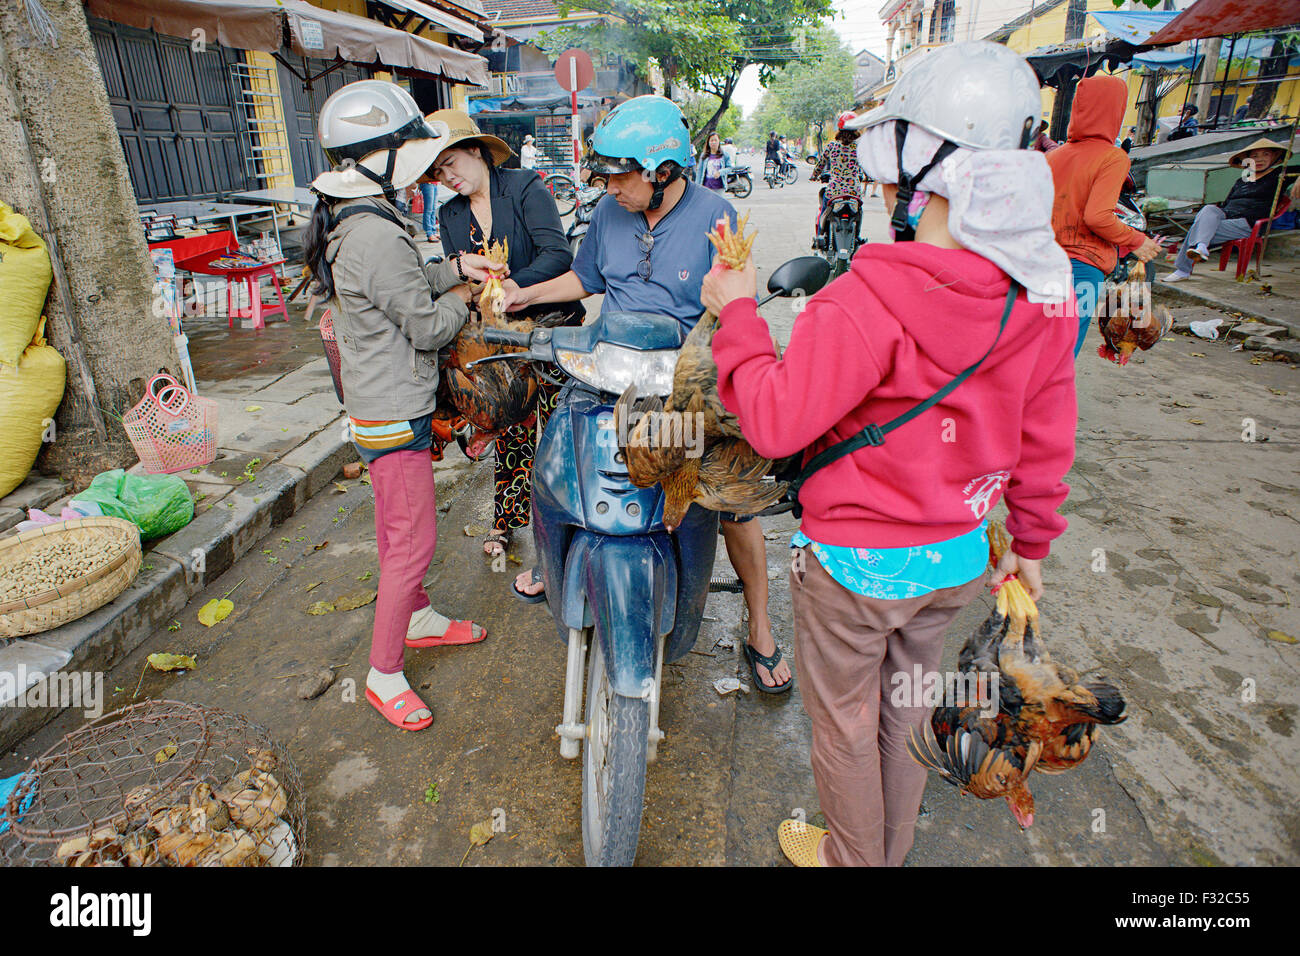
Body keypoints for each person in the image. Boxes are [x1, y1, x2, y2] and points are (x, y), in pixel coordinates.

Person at [702, 40, 1078, 868]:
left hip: (854, 570)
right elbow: (1046, 438)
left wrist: (736, 312)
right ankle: (887, 851)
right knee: (907, 710)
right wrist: (1036, 549)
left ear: (916, 172)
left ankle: (851, 859)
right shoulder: (1045, 296)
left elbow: (772, 422)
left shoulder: (868, 293)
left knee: (843, 724)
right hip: (954, 563)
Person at [502, 95, 794, 692]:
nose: (609, 187)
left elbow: (738, 295)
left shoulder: (719, 217)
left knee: (730, 501)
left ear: (662, 172)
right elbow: (585, 279)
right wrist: (523, 295)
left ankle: (760, 626)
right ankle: (553, 561)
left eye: (620, 175)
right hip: (609, 370)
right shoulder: (609, 214)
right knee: (555, 456)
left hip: (684, 384)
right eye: (604, 175)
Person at [303, 80, 493, 731]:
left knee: (395, 533)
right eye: (402, 148)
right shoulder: (374, 233)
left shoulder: (362, 219)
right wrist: (466, 299)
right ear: (372, 156)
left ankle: (418, 618)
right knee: (412, 542)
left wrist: (456, 269)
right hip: (391, 409)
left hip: (375, 404)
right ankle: (383, 674)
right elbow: (427, 327)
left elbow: (405, 286)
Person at [428, 110, 586, 556]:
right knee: (513, 425)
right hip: (500, 339)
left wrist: (519, 287)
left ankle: (571, 518)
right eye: (439, 172)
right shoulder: (450, 214)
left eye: (452, 163)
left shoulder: (523, 187)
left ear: (476, 151)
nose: (448, 177)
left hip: (551, 327)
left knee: (560, 427)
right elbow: (459, 278)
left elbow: (557, 254)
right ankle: (507, 518)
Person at [1046, 74, 1161, 355]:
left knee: (1042, 345)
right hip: (1081, 268)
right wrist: (1137, 240)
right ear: (1116, 112)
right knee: (1061, 353)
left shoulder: (1054, 156)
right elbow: (1097, 217)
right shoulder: (1113, 157)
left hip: (1043, 264)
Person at [1164, 138, 1293, 282]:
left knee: (1197, 228)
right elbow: (1227, 203)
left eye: (1266, 154)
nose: (1260, 159)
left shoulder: (1279, 175)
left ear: (1275, 157)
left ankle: (1185, 267)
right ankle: (1200, 247)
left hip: (1247, 223)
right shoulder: (1243, 180)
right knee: (1209, 209)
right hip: (1227, 216)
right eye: (1255, 156)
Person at [811, 111, 866, 246]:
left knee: (824, 210)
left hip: (834, 191)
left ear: (839, 128)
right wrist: (868, 177)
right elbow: (868, 166)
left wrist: (814, 175)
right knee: (859, 212)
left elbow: (820, 165)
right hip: (853, 192)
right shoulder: (860, 148)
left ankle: (819, 237)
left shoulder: (831, 146)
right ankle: (857, 236)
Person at [417, 173, 439, 244]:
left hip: (434, 183)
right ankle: (429, 233)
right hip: (427, 183)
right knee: (428, 210)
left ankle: (433, 231)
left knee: (433, 209)